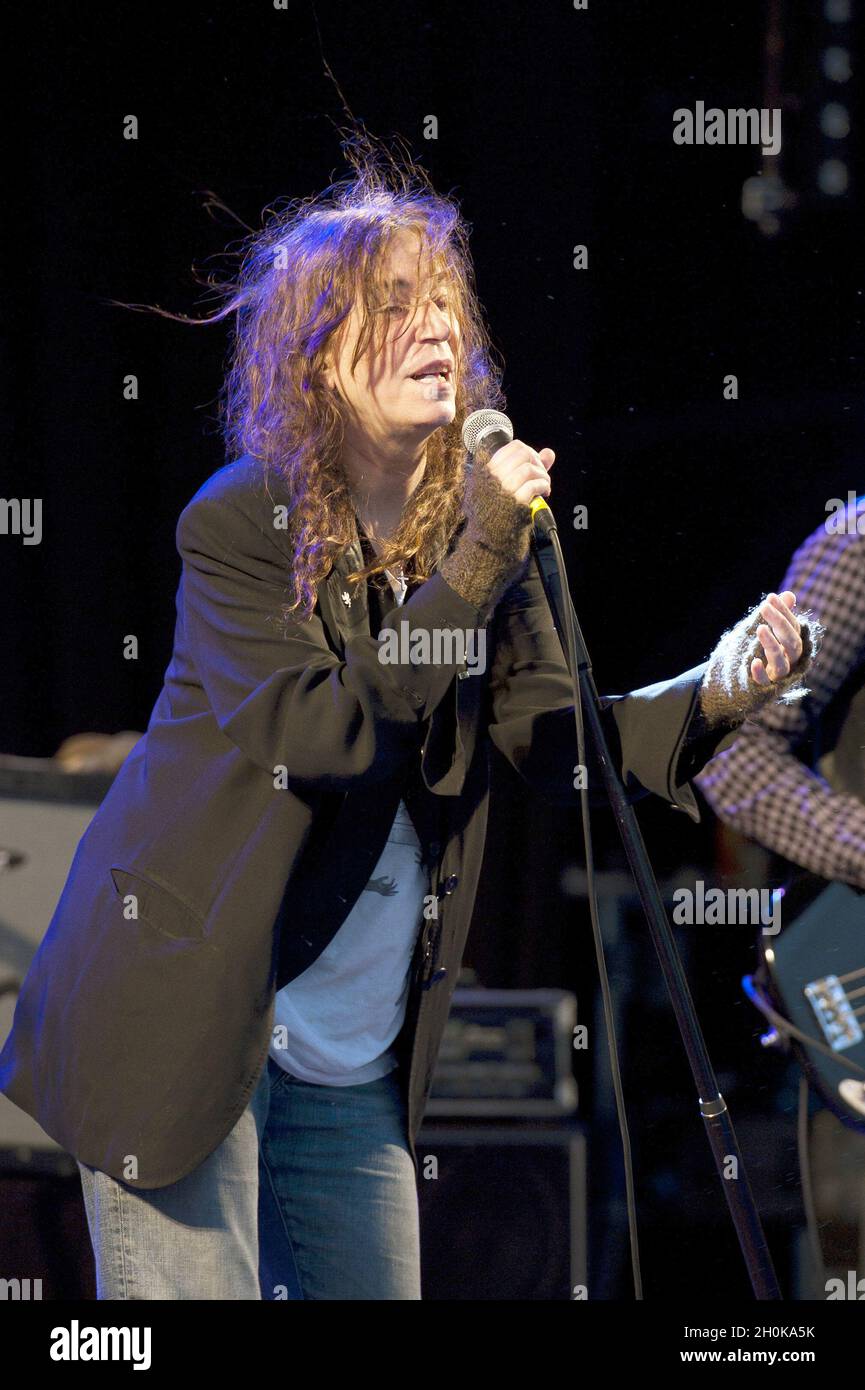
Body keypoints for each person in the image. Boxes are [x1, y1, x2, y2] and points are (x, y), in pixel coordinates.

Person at [0, 145, 820, 1300]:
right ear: (317, 355)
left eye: (444, 300)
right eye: (395, 307)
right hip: (183, 1026)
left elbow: (557, 748)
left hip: (346, 1056)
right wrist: (484, 551)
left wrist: (720, 686)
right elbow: (327, 738)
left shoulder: (491, 541)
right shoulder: (243, 525)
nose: (436, 325)